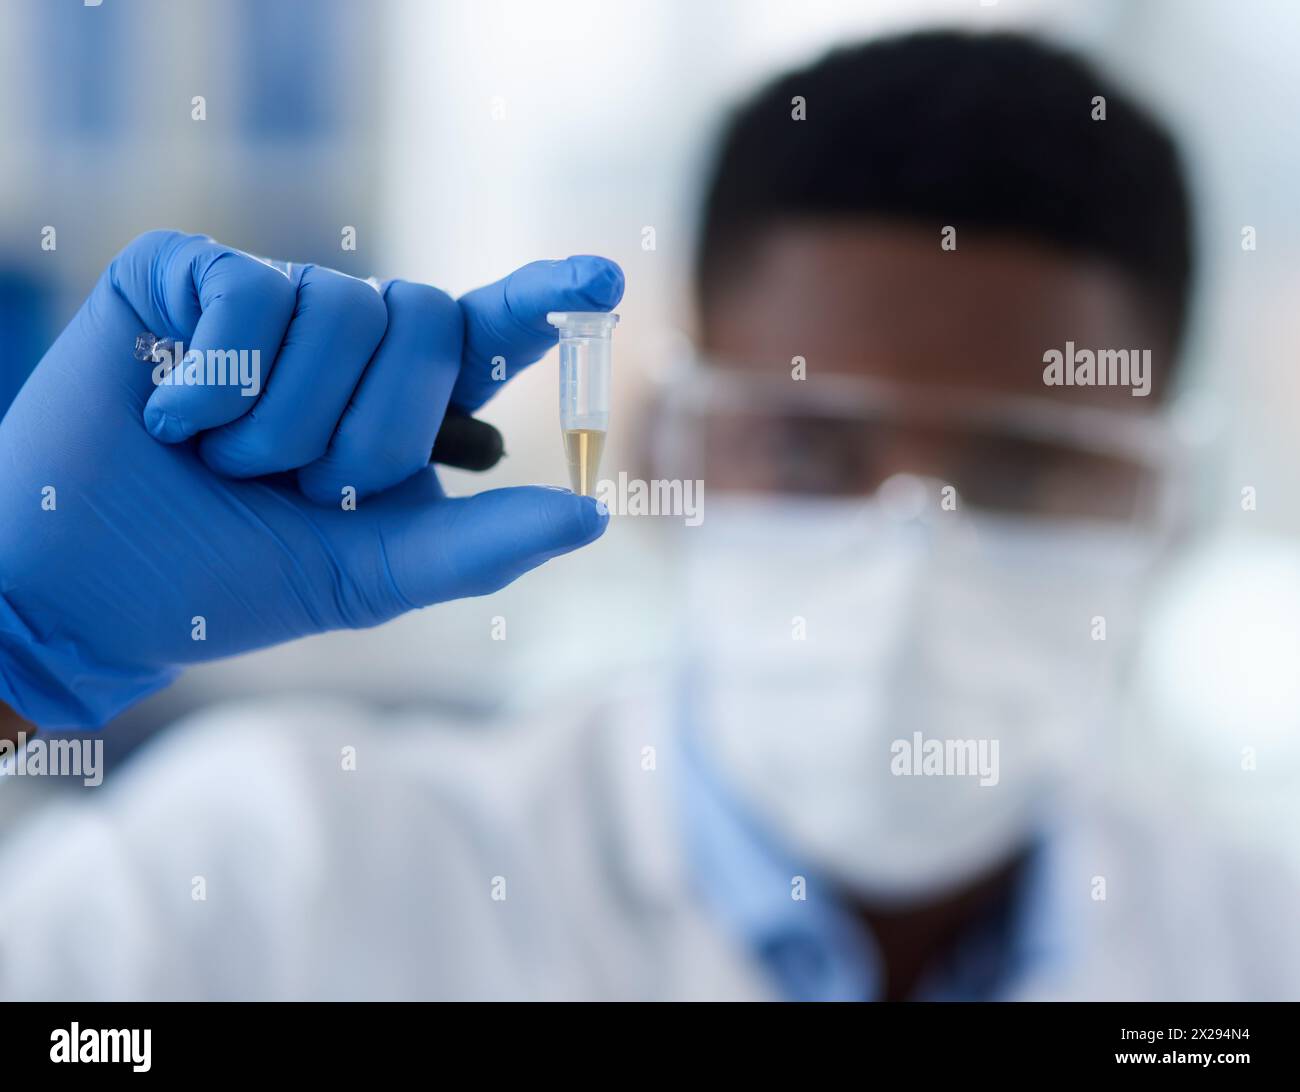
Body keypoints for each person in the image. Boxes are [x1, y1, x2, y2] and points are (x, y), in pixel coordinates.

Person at [0, 30, 1294, 1001]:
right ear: (670, 450)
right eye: (807, 444)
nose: (911, 552)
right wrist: (15, 654)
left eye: (1019, 472)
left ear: (1165, 504)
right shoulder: (264, 878)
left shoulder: (1256, 956)